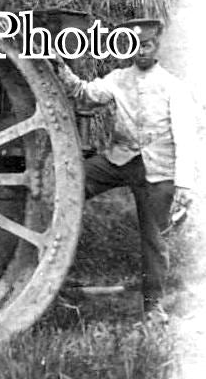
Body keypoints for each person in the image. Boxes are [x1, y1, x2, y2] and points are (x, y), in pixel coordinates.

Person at [52, 18, 200, 318]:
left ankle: (153, 306)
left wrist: (184, 185)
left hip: (159, 171)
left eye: (146, 45)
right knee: (71, 183)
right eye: (135, 46)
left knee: (154, 239)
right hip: (121, 160)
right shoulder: (119, 78)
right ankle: (50, 277)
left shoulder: (173, 87)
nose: (141, 51)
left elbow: (186, 140)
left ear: (155, 46)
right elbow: (85, 94)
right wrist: (60, 68)